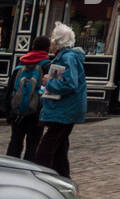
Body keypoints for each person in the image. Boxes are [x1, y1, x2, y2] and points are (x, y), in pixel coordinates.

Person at [33, 23, 87, 179]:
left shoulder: (67, 58)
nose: (50, 41)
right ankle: (63, 179)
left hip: (64, 110)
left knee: (46, 149)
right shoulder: (63, 57)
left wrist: (48, 81)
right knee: (59, 149)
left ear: (58, 41)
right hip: (62, 109)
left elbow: (70, 83)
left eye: (52, 38)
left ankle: (40, 179)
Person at [5, 35, 50, 162]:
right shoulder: (47, 66)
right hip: (36, 112)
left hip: (17, 110)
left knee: (15, 142)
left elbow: (10, 90)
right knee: (33, 145)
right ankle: (28, 174)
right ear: (47, 48)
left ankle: (11, 170)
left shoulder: (21, 63)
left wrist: (9, 111)